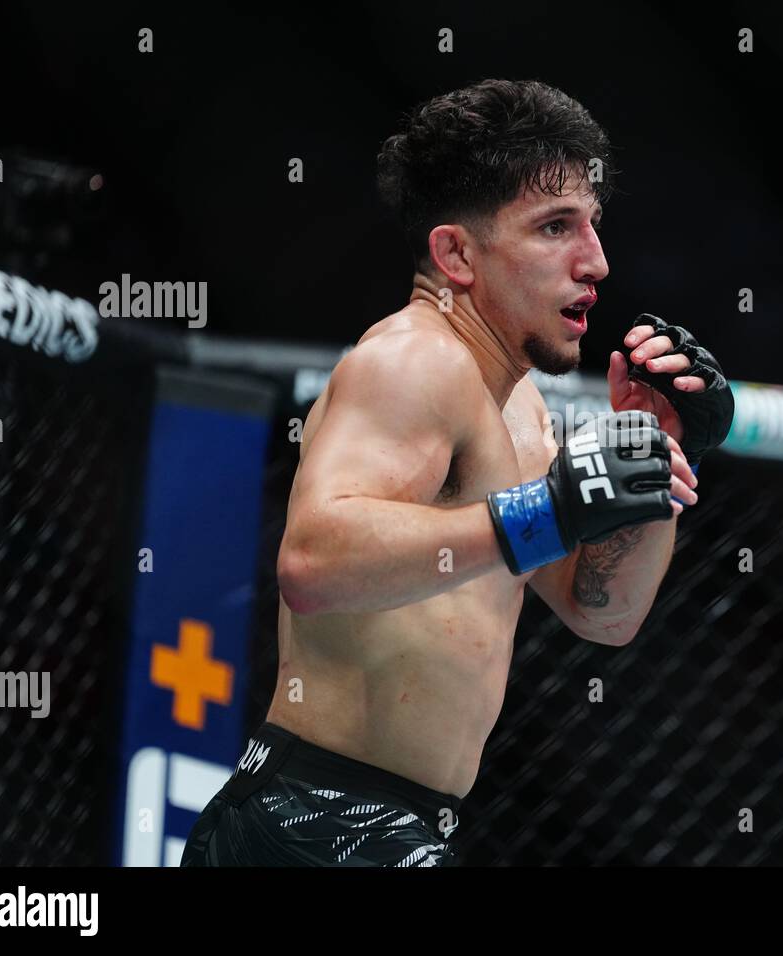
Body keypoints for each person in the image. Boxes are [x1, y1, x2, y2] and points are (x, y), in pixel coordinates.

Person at [181, 78, 733, 866]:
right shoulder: (413, 362)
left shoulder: (521, 408)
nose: (597, 262)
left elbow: (601, 612)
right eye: (555, 228)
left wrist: (659, 453)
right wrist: (544, 514)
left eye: (593, 226)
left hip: (389, 823)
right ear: (456, 254)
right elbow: (311, 564)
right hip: (312, 817)